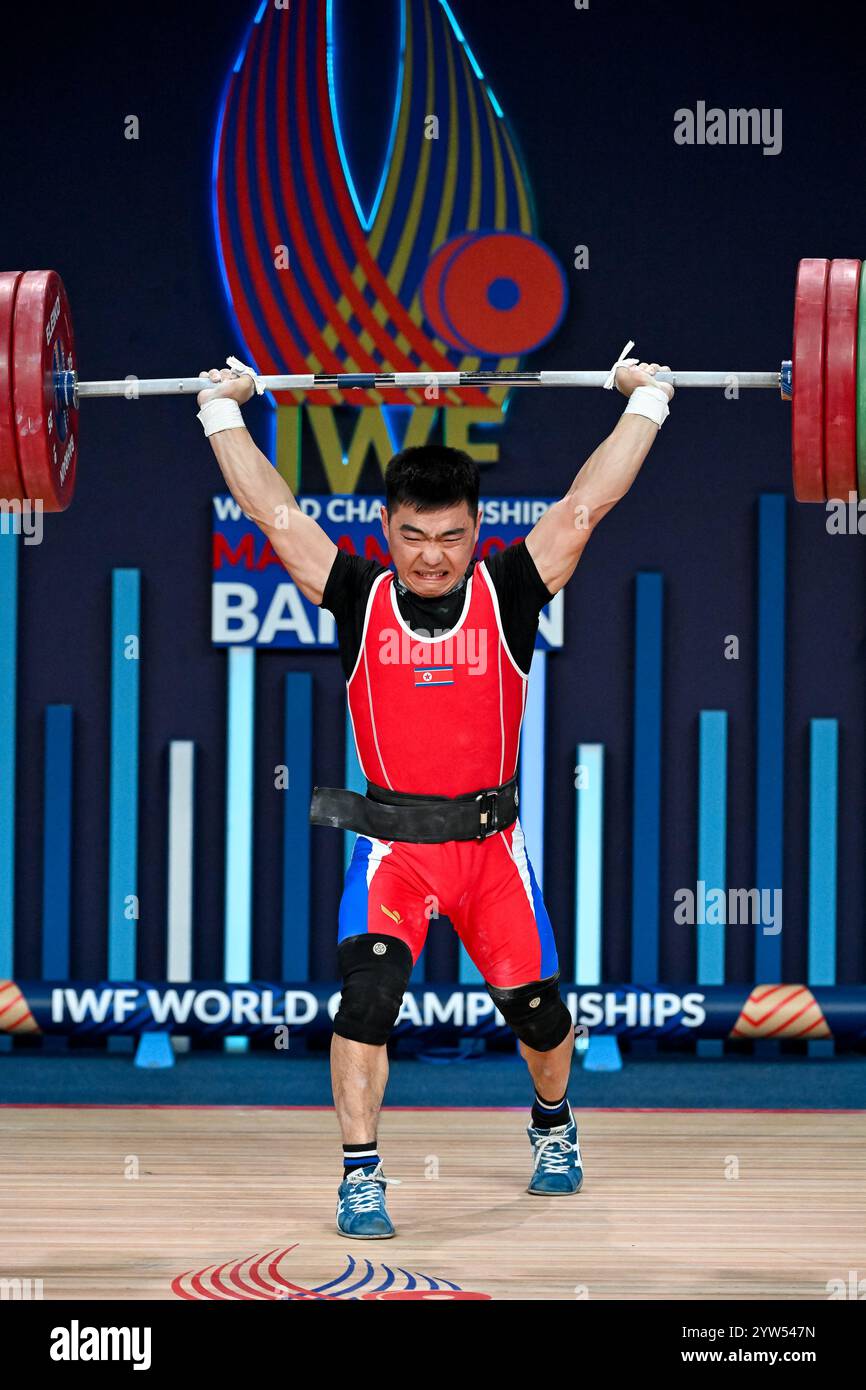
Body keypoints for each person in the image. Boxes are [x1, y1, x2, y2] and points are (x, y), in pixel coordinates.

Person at [197, 357, 674, 1238]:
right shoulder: (354, 597)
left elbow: (584, 506)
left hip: (492, 851)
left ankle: (553, 1126)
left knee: (540, 1015)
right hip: (392, 852)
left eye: (451, 536)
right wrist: (221, 412)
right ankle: (361, 1177)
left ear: (475, 528)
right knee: (366, 1003)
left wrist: (647, 397)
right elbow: (275, 512)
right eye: (414, 535)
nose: (432, 555)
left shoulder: (511, 594)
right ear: (388, 528)